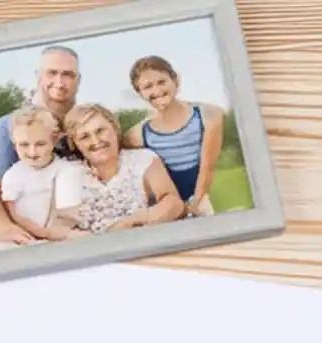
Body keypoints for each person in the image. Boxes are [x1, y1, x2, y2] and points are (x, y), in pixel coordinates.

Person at [0, 46, 83, 247]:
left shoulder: (87, 124)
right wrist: (5, 228)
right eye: (52, 73)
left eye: (68, 74)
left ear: (78, 80)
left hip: (78, 233)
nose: (59, 82)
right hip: (25, 238)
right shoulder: (9, 125)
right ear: (38, 76)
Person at [52, 103, 184, 234]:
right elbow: (62, 224)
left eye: (100, 131)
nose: (96, 141)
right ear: (75, 143)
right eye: (85, 137)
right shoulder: (69, 173)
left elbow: (173, 203)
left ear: (115, 129)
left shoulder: (142, 159)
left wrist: (130, 222)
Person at [123, 55, 224, 217]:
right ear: (139, 92)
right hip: (163, 208)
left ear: (175, 80)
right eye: (148, 87)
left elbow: (207, 168)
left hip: (199, 201)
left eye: (162, 82)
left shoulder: (208, 115)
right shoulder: (137, 135)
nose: (156, 91)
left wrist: (195, 204)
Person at [0, 106, 88, 252]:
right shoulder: (14, 175)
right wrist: (45, 234)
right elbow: (14, 214)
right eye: (24, 145)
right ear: (15, 145)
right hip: (21, 237)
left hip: (55, 235)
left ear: (54, 140)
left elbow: (68, 212)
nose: (32, 152)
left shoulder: (66, 169)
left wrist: (61, 233)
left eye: (40, 144)